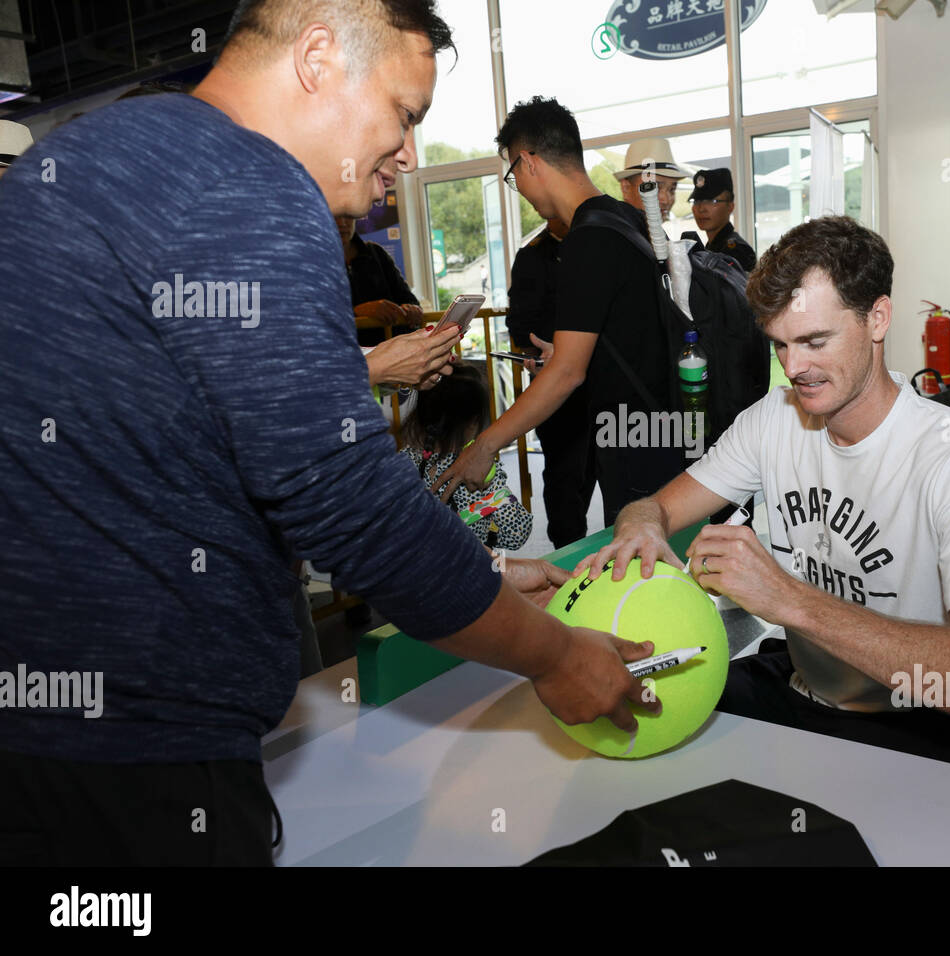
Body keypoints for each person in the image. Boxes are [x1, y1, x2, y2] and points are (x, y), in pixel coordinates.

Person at [0, 0, 658, 867]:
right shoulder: (249, 188)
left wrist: (486, 571)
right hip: (140, 752)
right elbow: (349, 507)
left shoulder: (89, 154)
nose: (409, 153)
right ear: (318, 56)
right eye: (404, 114)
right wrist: (553, 655)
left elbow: (186, 458)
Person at [578, 216, 950, 774]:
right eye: (781, 345)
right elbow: (655, 507)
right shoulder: (774, 419)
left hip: (923, 717)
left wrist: (785, 598)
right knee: (637, 738)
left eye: (815, 341)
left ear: (878, 318)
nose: (793, 368)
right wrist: (640, 526)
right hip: (802, 692)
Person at [438, 98, 681, 527]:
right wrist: (567, 352)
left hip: (637, 442)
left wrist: (485, 446)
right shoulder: (621, 217)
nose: (521, 189)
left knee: (646, 573)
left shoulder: (587, 241)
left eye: (513, 176)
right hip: (661, 429)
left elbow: (569, 373)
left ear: (528, 162)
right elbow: (632, 329)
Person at [506, 216, 596, 548]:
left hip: (606, 390)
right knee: (565, 486)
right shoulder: (533, 256)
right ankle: (568, 571)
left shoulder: (597, 245)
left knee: (620, 486)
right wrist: (542, 351)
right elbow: (520, 325)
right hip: (560, 394)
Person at [402, 364, 533, 550]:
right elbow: (517, 533)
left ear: (421, 413)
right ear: (474, 421)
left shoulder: (401, 464)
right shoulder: (477, 472)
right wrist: (490, 492)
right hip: (469, 574)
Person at [337, 214, 425, 348]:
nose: (342, 223)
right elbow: (314, 317)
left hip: (396, 355)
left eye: (348, 216)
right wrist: (357, 311)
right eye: (335, 216)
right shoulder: (312, 263)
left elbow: (408, 299)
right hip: (350, 357)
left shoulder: (376, 253)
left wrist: (411, 309)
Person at [688, 167, 756, 271]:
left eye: (712, 201)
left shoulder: (736, 252)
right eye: (697, 201)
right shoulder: (712, 246)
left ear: (730, 206)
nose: (701, 209)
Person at [613, 136, 686, 227]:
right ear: (626, 188)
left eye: (672, 190)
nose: (666, 200)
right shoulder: (614, 235)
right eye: (654, 188)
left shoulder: (646, 236)